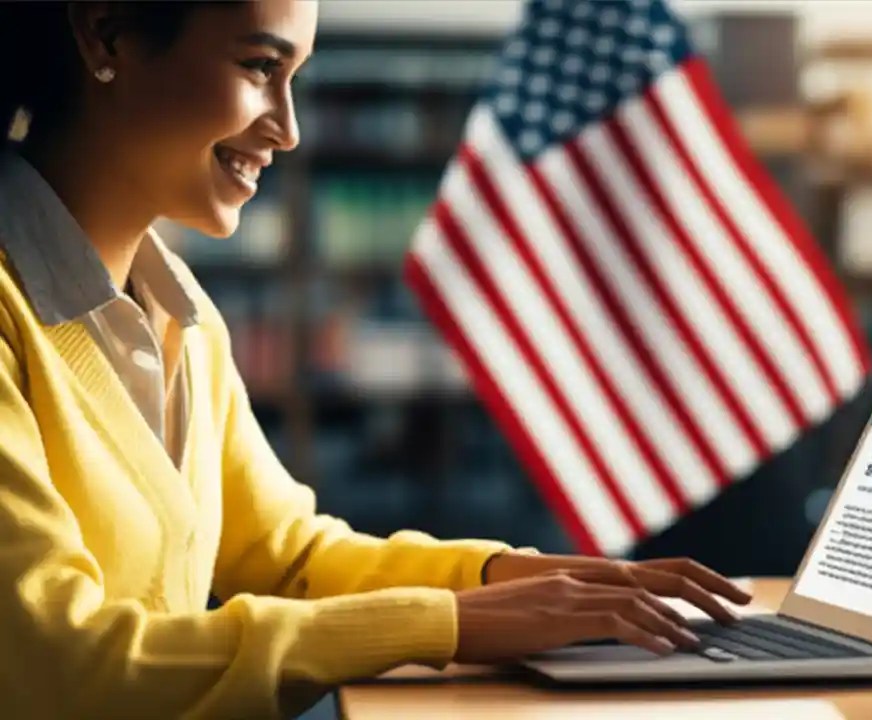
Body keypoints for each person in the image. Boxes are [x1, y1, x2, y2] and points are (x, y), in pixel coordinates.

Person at [0, 2, 752, 717]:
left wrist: (512, 578)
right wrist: (452, 622)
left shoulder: (178, 310)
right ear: (106, 36)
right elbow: (64, 665)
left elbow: (286, 557)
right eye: (260, 66)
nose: (288, 129)